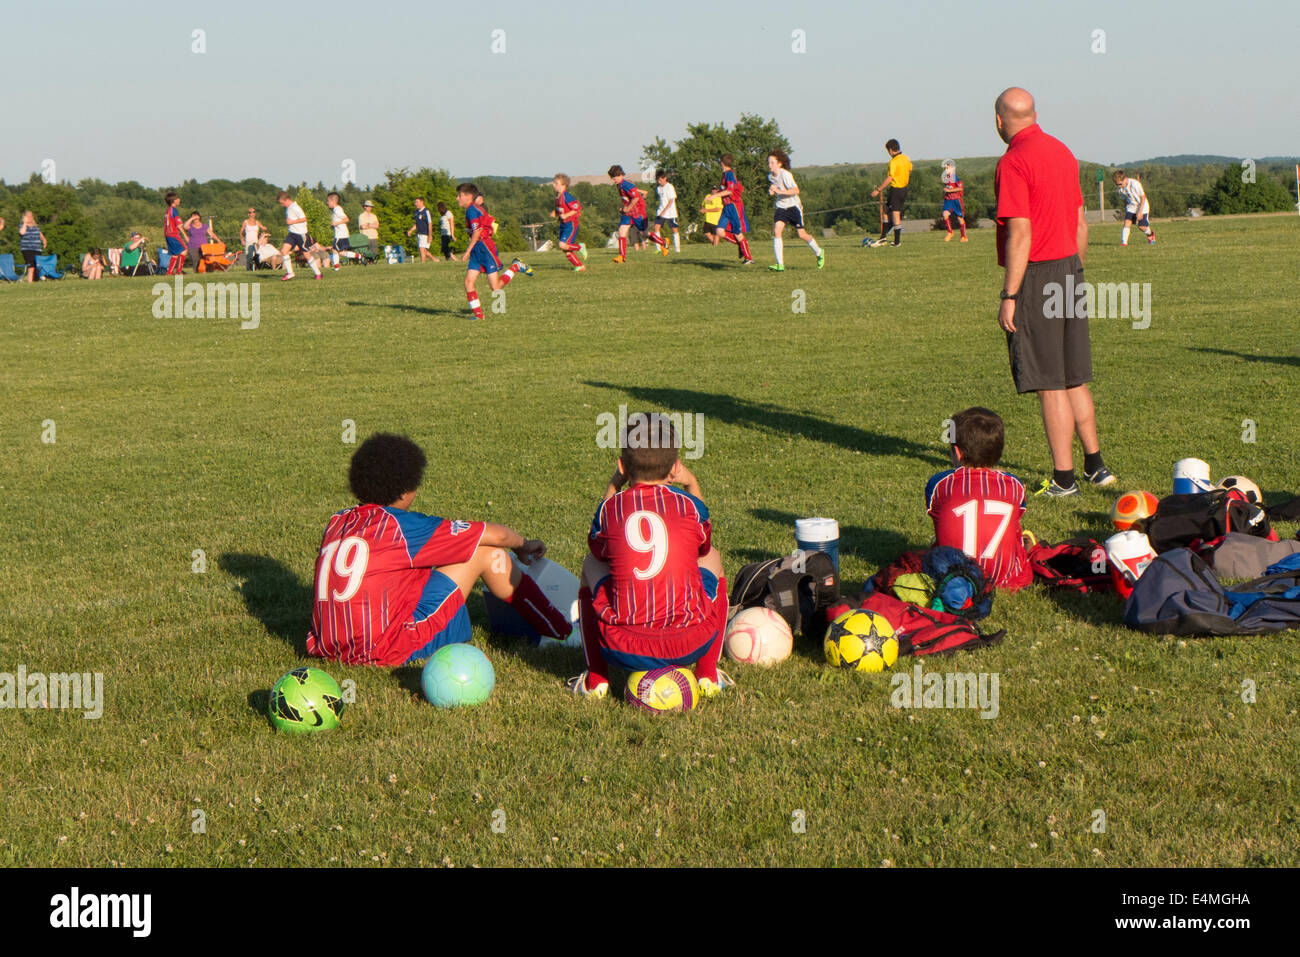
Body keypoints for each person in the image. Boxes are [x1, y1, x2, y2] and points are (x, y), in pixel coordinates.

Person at [305, 432, 570, 667]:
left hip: (328, 646)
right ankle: (562, 633)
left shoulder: (338, 520)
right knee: (487, 552)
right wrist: (524, 545)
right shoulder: (403, 526)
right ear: (407, 489)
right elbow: (497, 535)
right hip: (383, 651)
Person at [993, 86, 1115, 496]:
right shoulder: (1063, 151)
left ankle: (1064, 480)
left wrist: (1010, 294)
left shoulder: (1013, 161)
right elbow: (1081, 221)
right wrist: (1075, 271)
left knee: (1049, 381)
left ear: (999, 120)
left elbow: (1020, 232)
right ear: (1034, 113)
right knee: (1074, 377)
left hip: (1039, 273)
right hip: (1070, 267)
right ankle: (1096, 467)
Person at [570, 413, 732, 700]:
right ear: (675, 467)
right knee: (714, 558)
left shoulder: (611, 509)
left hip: (622, 647)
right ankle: (707, 674)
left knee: (590, 563)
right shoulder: (689, 505)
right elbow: (703, 548)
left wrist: (612, 487)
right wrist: (691, 483)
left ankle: (596, 680)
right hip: (692, 643)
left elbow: (598, 550)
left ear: (622, 466)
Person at [925, 407, 1031, 590]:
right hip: (1005, 579)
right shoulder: (1015, 485)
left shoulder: (939, 483)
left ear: (957, 453)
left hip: (949, 577)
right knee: (1018, 533)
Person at [457, 182, 532, 320]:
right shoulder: (472, 209)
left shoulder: (472, 211)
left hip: (485, 248)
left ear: (468, 196)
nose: (457, 198)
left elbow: (477, 232)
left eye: (459, 195)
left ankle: (515, 267)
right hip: (477, 250)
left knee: (496, 288)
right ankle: (479, 316)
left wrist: (467, 251)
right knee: (468, 282)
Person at [766, 149, 824, 271]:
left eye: (772, 162)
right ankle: (780, 264)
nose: (769, 165)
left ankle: (819, 252)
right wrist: (771, 191)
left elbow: (796, 190)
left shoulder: (785, 175)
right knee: (777, 231)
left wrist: (779, 191)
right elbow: (773, 188)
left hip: (793, 207)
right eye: (768, 162)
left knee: (801, 234)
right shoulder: (770, 177)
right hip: (781, 207)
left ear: (779, 164)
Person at [608, 165, 664, 262]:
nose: (613, 180)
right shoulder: (619, 185)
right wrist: (624, 208)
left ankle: (663, 242)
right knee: (622, 231)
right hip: (628, 213)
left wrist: (628, 208)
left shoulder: (626, 184)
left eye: (614, 178)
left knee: (644, 233)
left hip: (637, 212)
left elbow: (636, 198)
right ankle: (622, 257)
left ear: (620, 175)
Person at [707, 154, 753, 264]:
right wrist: (718, 192)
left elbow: (730, 191)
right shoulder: (724, 174)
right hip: (726, 207)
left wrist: (714, 196)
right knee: (719, 231)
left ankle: (749, 258)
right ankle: (741, 245)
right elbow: (725, 190)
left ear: (722, 163)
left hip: (733, 206)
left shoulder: (730, 174)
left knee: (737, 232)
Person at [868, 138, 912, 247]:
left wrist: (878, 190)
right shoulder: (906, 158)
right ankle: (883, 237)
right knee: (886, 212)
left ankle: (897, 242)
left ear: (891, 150)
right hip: (904, 189)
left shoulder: (893, 161)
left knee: (895, 215)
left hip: (896, 189)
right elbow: (910, 170)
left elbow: (890, 177)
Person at [277, 190, 324, 281]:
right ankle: (290, 273)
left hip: (301, 234)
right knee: (284, 251)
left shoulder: (295, 207)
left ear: (287, 200)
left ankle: (318, 273)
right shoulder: (289, 208)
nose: (282, 205)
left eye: (282, 203)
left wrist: (292, 222)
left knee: (306, 254)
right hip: (292, 234)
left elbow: (304, 218)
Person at [550, 174, 586, 271]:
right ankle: (580, 266)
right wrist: (555, 213)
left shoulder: (566, 196)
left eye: (556, 183)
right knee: (565, 249)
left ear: (563, 185)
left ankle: (580, 247)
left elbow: (577, 208)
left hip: (571, 224)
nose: (554, 185)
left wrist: (566, 215)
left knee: (562, 245)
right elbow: (561, 210)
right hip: (563, 224)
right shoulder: (558, 197)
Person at [1113, 170, 1155, 247]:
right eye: (1117, 184)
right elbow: (1124, 200)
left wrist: (1140, 211)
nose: (1119, 186)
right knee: (1127, 223)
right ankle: (1124, 243)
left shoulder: (1135, 184)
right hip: (1131, 206)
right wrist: (1126, 209)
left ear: (1125, 179)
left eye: (1120, 184)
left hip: (1142, 205)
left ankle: (1151, 234)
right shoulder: (1120, 189)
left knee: (1141, 227)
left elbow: (1143, 197)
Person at [326, 192, 361, 269]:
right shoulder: (335, 210)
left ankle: (336, 267)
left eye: (328, 201)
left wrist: (336, 223)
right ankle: (359, 256)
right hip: (342, 234)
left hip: (340, 234)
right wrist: (333, 225)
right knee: (341, 253)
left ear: (333, 201)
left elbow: (346, 219)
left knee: (335, 250)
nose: (327, 203)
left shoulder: (337, 209)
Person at [651, 169, 679, 254]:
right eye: (658, 180)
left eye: (661, 180)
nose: (659, 182)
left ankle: (677, 249)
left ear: (665, 178)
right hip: (660, 211)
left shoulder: (670, 187)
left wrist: (665, 210)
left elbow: (671, 200)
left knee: (674, 230)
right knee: (656, 228)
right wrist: (661, 211)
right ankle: (658, 248)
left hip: (671, 212)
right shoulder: (658, 188)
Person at [941, 160, 968, 243]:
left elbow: (960, 188)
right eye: (946, 168)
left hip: (956, 200)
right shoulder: (946, 177)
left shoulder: (955, 177)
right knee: (945, 214)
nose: (946, 169)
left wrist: (949, 190)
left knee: (960, 218)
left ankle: (963, 236)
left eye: (948, 168)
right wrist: (946, 190)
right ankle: (950, 232)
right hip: (948, 200)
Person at [18, 211, 46, 282]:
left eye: (31, 216)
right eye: (28, 216)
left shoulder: (35, 226)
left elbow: (40, 234)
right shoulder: (22, 225)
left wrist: (44, 240)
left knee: (37, 266)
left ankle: (35, 281)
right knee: (31, 267)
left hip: (37, 249)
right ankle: (29, 282)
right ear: (24, 217)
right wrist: (24, 222)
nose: (30, 218)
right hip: (27, 249)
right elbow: (22, 232)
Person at [163, 191, 186, 274]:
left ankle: (169, 272)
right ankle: (179, 271)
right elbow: (179, 225)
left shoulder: (167, 211)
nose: (179, 199)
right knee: (184, 250)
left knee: (175, 254)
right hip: (173, 234)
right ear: (173, 200)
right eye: (177, 198)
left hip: (167, 234)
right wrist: (186, 236)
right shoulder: (174, 210)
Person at [408, 197, 436, 263]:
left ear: (421, 202)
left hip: (425, 233)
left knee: (422, 249)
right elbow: (416, 224)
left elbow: (430, 223)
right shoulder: (416, 212)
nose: (415, 204)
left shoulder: (426, 211)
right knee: (423, 250)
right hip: (419, 233)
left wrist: (430, 235)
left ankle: (422, 263)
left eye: (417, 202)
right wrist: (411, 230)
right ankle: (435, 260)